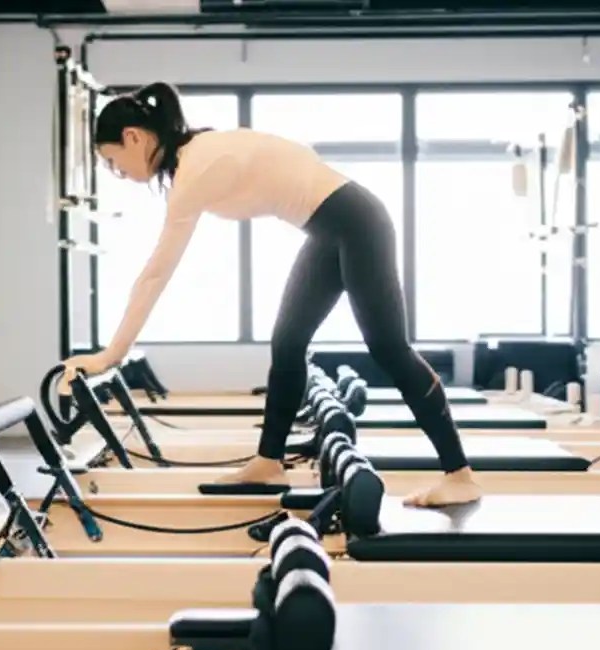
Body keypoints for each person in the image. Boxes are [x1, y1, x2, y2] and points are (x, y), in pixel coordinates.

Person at [62, 82, 480, 507]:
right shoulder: (197, 156)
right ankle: (269, 461)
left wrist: (109, 355)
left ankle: (459, 474)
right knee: (288, 343)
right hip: (326, 228)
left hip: (355, 221)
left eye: (114, 162)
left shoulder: (198, 167)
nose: (120, 174)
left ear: (133, 136)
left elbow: (155, 274)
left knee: (388, 348)